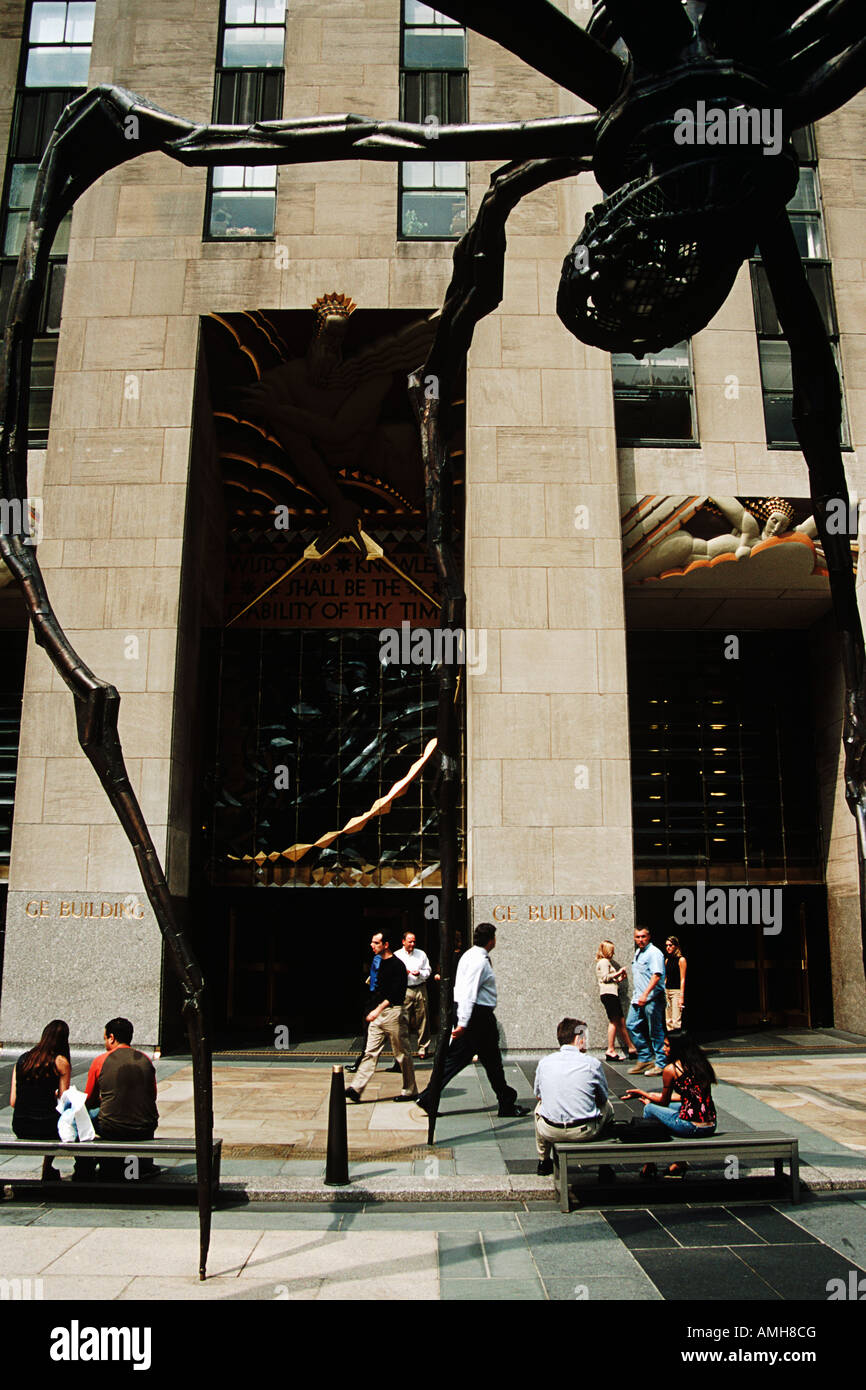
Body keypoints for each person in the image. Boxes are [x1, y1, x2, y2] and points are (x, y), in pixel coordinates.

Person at [415, 923, 527, 1119]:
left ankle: (506, 1100)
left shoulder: (470, 955)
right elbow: (468, 992)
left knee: (489, 1060)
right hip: (477, 1017)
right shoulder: (479, 961)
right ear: (491, 939)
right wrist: (463, 1023)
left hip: (475, 1016)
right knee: (460, 1060)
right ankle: (427, 1097)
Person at [623, 1029, 717, 1178]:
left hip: (691, 1126)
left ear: (677, 1048)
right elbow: (692, 1096)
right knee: (665, 1108)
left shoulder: (671, 1069)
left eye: (667, 1046)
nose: (663, 1049)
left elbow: (664, 1101)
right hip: (711, 1124)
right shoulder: (701, 1064)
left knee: (649, 1109)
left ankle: (650, 1163)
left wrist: (645, 1095)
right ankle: (679, 1164)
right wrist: (655, 1096)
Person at [75, 1018, 158, 1180]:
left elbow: (89, 1100)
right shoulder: (146, 1060)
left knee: (80, 1117)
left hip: (112, 1127)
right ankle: (142, 1165)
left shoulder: (100, 1061)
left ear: (111, 1037)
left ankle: (83, 1168)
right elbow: (152, 1096)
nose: (105, 1042)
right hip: (144, 1126)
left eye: (105, 1038)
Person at [533, 1018, 615, 1176]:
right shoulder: (592, 1063)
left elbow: (539, 1096)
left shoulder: (544, 1062)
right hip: (583, 1131)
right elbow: (602, 1099)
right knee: (608, 1108)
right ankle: (604, 1164)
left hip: (551, 1130)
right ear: (578, 1038)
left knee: (539, 1109)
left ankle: (543, 1161)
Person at [345, 931, 417, 1103]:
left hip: (393, 1013)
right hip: (378, 1014)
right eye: (372, 942)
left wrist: (377, 1010)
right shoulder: (378, 962)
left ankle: (410, 1090)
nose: (372, 945)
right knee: (370, 1053)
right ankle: (356, 1088)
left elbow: (396, 994)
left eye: (376, 943)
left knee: (402, 1054)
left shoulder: (397, 965)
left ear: (386, 945)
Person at [10, 1019, 71, 1181]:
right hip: (48, 1126)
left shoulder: (22, 1060)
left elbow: (13, 1101)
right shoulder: (60, 1062)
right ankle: (48, 1167)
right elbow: (64, 1101)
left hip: (21, 1125)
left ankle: (48, 1169)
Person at [627, 927, 666, 1075]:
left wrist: (646, 994)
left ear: (649, 937)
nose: (640, 940)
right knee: (631, 1025)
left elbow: (656, 975)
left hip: (652, 998)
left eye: (643, 937)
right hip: (638, 998)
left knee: (655, 1031)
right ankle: (645, 1058)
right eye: (637, 937)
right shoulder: (638, 952)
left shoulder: (654, 953)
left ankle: (661, 1063)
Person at [595, 941, 638, 1062]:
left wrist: (620, 978)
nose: (613, 952)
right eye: (611, 950)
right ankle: (611, 1049)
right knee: (614, 1021)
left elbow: (610, 980)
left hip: (611, 993)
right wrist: (618, 972)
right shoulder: (604, 962)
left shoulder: (605, 962)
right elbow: (605, 978)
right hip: (609, 994)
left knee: (620, 1021)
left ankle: (631, 1047)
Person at [396, 930, 432, 1058]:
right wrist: (402, 973)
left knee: (423, 1019)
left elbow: (428, 970)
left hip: (419, 988)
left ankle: (423, 1048)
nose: (412, 944)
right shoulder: (397, 955)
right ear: (403, 941)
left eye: (414, 941)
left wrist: (420, 973)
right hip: (405, 990)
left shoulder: (421, 954)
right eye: (410, 941)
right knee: (402, 1020)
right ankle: (404, 1049)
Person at [664, 936, 687, 1030]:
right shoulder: (667, 960)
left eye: (670, 945)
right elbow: (665, 977)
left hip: (676, 992)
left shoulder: (681, 960)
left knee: (676, 1019)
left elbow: (682, 978)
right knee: (667, 1019)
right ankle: (669, 1042)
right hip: (667, 991)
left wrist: (681, 996)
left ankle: (677, 1042)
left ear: (676, 946)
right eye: (666, 945)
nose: (668, 947)